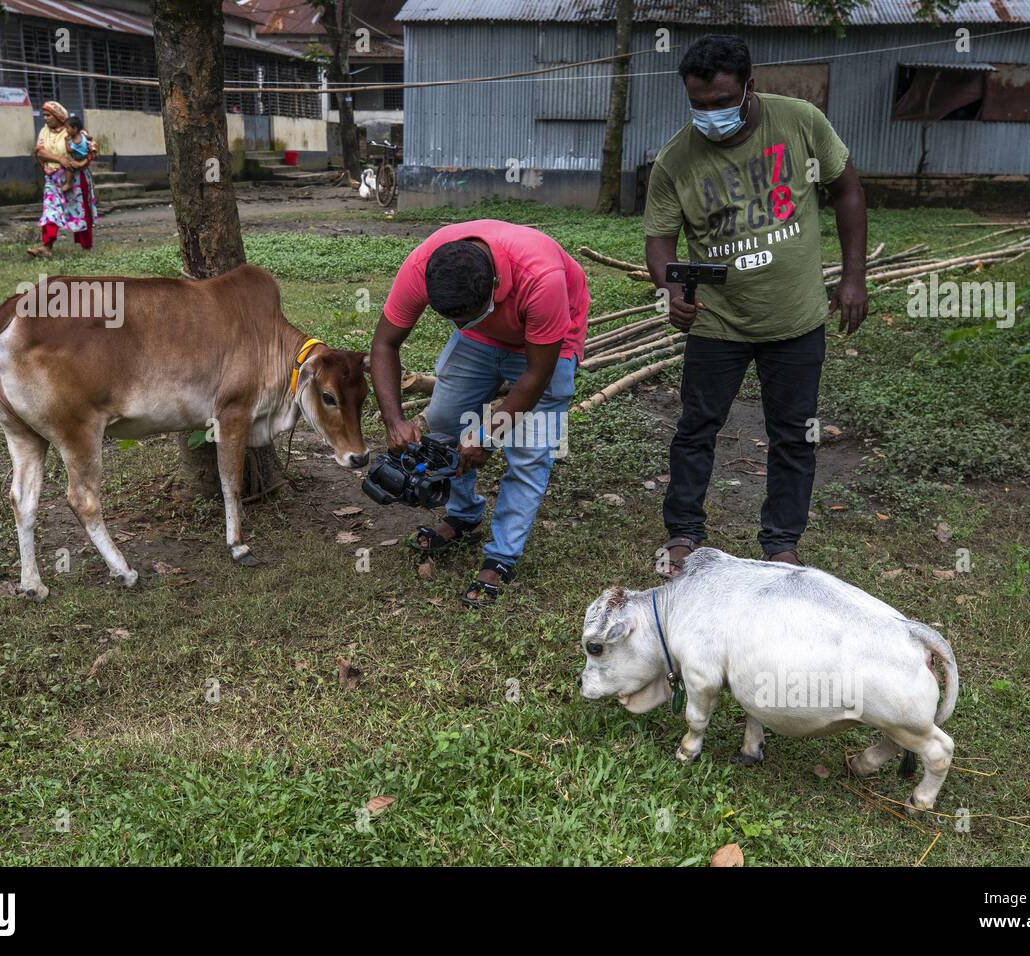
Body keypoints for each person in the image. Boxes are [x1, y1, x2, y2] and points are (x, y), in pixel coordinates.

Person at [643, 34, 868, 573]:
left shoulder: (799, 122)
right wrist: (671, 290)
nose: (711, 113)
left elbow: (847, 191)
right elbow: (659, 240)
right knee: (697, 427)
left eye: (722, 101)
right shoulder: (676, 160)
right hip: (717, 322)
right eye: (699, 103)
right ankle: (684, 533)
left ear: (750, 85)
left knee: (792, 434)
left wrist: (855, 276)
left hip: (795, 317)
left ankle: (782, 543)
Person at [370, 220, 588, 608]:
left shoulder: (542, 278)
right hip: (476, 344)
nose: (454, 325)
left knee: (528, 454)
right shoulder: (424, 263)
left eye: (463, 314)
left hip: (545, 345)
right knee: (443, 425)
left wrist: (491, 432)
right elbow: (385, 344)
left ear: (493, 285)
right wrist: (394, 421)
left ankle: (502, 557)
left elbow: (536, 375)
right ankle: (465, 516)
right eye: (448, 318)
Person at [28, 102, 97, 258]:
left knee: (80, 211)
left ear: (58, 116)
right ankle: (46, 246)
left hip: (76, 178)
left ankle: (86, 246)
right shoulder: (44, 132)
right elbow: (40, 153)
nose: (45, 119)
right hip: (53, 177)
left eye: (48, 115)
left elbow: (91, 148)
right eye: (44, 115)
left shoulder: (72, 128)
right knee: (50, 210)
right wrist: (59, 159)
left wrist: (81, 163)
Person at [59, 114, 89, 193]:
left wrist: (66, 142)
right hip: (84, 156)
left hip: (78, 159)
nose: (66, 130)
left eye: (68, 128)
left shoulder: (75, 142)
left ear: (75, 129)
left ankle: (69, 183)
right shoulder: (83, 135)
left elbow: (69, 150)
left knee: (68, 165)